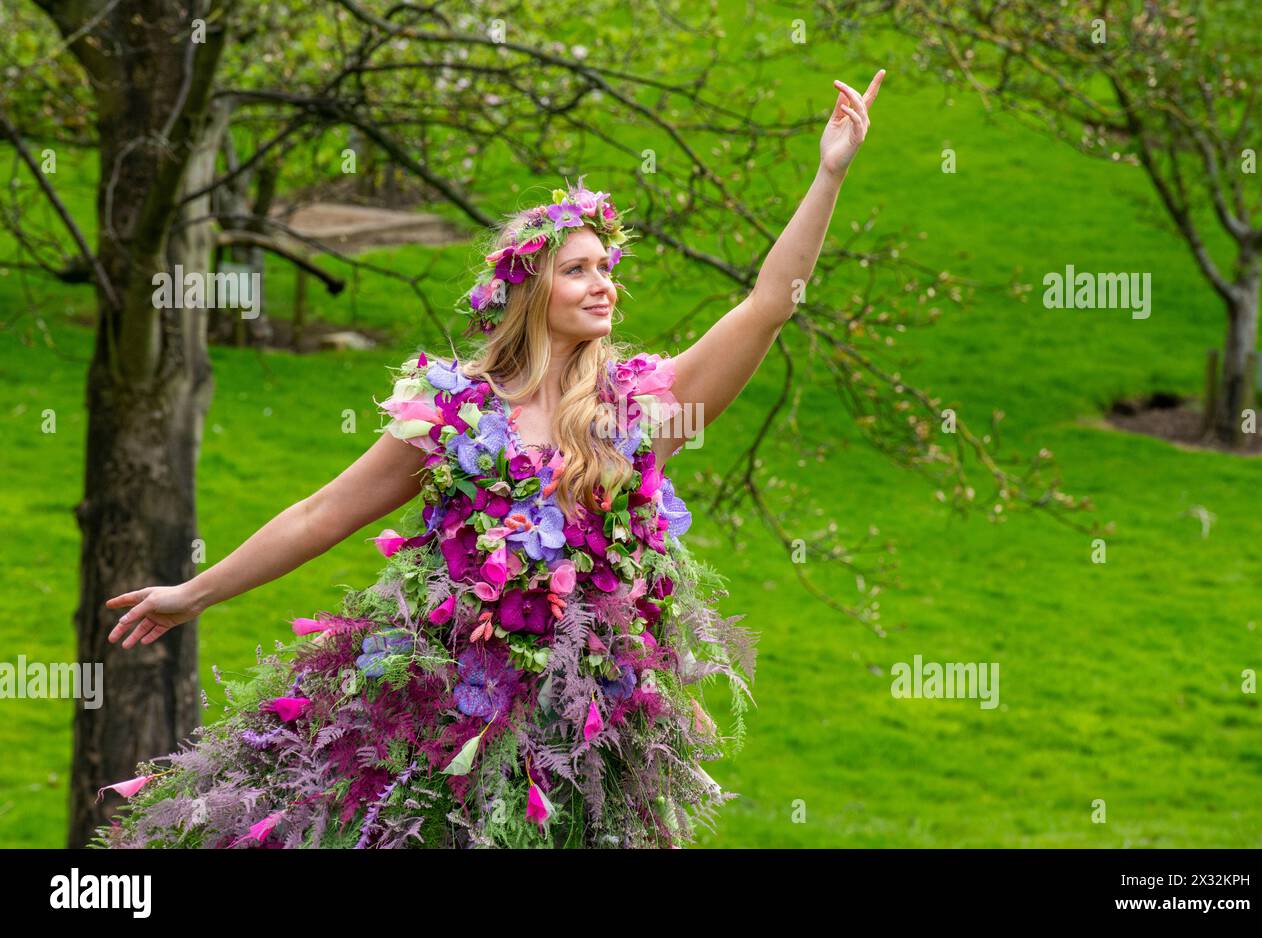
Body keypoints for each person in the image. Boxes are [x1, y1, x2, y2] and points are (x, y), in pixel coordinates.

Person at [93, 73, 885, 848]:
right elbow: (322, 514)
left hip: (580, 743)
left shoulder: (641, 410)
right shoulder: (452, 415)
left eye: (607, 269)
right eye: (578, 269)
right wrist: (194, 592)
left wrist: (828, 172)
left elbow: (771, 301)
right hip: (434, 726)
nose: (603, 285)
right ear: (529, 288)